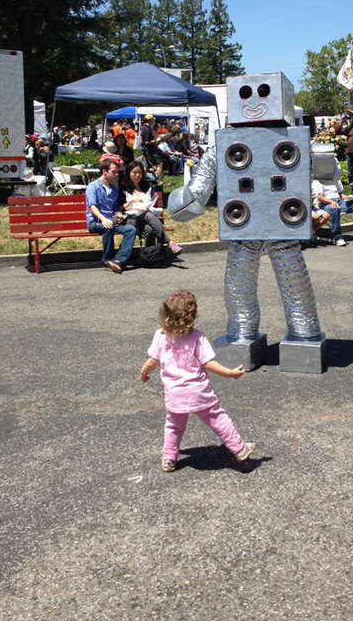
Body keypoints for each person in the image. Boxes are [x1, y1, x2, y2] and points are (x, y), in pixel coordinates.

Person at [139, 290, 256, 472]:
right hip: (199, 393)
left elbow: (153, 360)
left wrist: (145, 371)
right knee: (218, 420)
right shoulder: (197, 337)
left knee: (173, 426)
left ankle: (169, 459)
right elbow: (209, 363)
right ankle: (239, 449)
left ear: (165, 315)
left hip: (174, 394)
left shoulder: (161, 336)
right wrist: (230, 373)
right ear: (192, 316)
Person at [85, 159, 136, 273]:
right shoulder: (93, 187)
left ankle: (119, 260)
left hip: (111, 220)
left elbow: (114, 211)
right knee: (109, 226)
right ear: (104, 171)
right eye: (114, 172)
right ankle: (107, 260)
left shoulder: (114, 189)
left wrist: (123, 212)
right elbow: (92, 206)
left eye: (117, 172)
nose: (117, 175)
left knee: (131, 229)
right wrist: (103, 219)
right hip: (96, 222)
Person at [122, 160, 181, 254]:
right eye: (134, 172)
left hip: (146, 218)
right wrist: (132, 201)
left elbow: (155, 204)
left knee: (149, 229)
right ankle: (169, 242)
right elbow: (121, 208)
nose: (137, 175)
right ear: (129, 173)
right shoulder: (123, 187)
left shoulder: (148, 187)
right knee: (148, 215)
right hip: (131, 219)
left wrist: (148, 207)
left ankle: (149, 257)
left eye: (140, 172)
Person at [312, 161, 353, 247]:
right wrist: (331, 202)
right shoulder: (318, 180)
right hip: (325, 204)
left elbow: (341, 195)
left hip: (339, 201)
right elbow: (320, 197)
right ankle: (338, 237)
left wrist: (348, 197)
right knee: (335, 208)